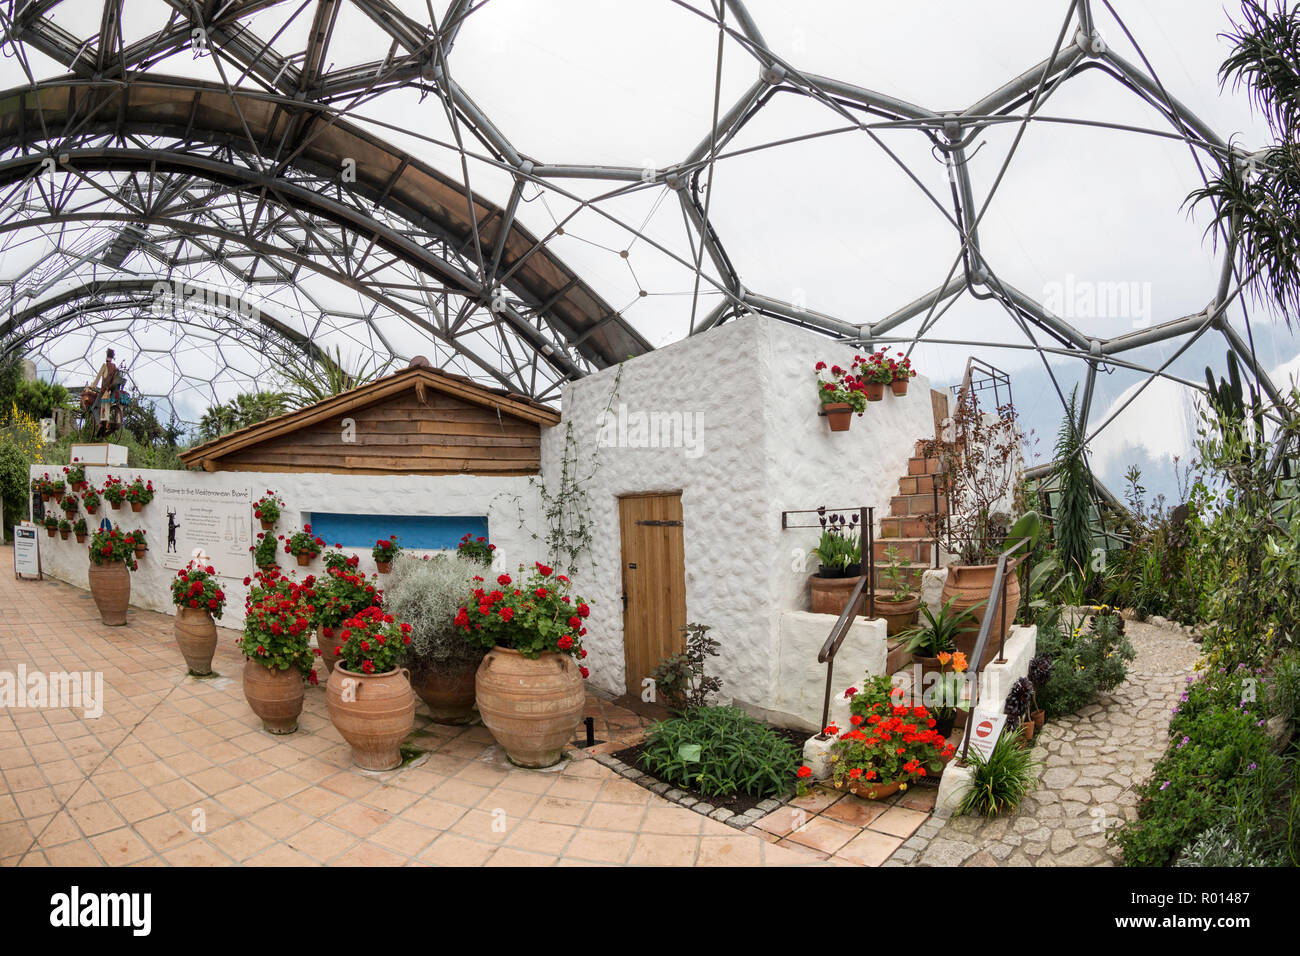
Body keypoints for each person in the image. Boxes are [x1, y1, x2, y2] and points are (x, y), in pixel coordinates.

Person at [88, 349, 124, 436]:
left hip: (104, 392)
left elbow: (97, 381)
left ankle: (99, 425)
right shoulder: (115, 367)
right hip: (112, 391)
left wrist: (92, 386)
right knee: (106, 404)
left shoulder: (104, 366)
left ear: (106, 356)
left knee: (94, 408)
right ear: (112, 357)